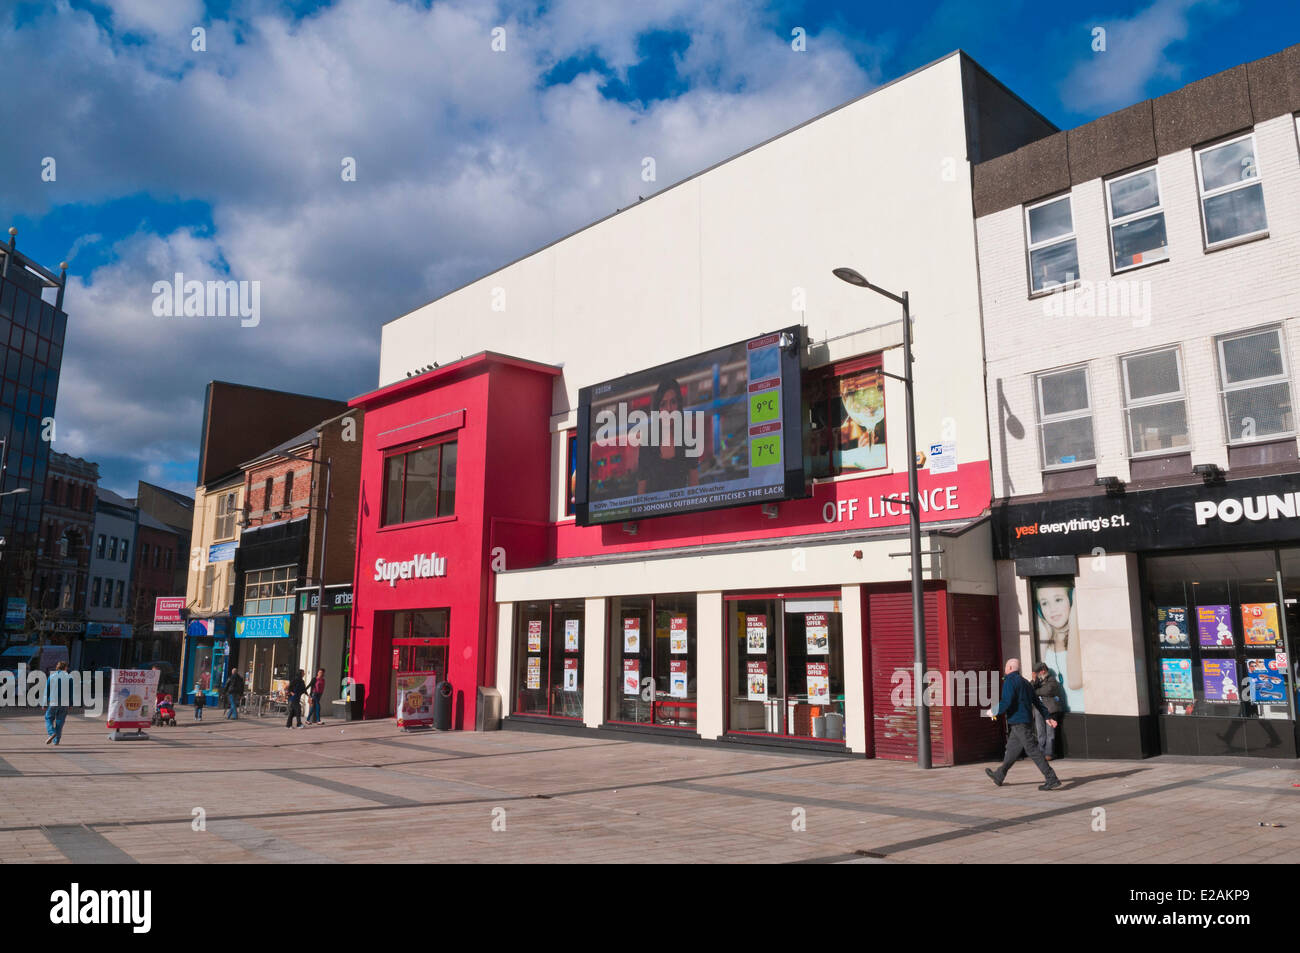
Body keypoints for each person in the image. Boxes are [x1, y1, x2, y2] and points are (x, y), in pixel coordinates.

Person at [985, 659, 1061, 791]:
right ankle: (999, 775)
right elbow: (1037, 702)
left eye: (1005, 667)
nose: (1005, 669)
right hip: (1022, 722)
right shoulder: (1025, 682)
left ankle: (1051, 778)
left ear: (1009, 667)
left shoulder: (1010, 681)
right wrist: (1047, 717)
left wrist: (993, 711)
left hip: (1018, 722)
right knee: (1012, 749)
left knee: (1033, 750)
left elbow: (1006, 701)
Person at [636, 378, 701, 495]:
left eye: (673, 402)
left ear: (679, 405)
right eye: (663, 404)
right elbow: (641, 493)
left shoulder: (689, 439)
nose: (669, 409)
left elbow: (694, 487)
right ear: (658, 410)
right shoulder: (647, 444)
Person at [1030, 662, 1063, 759]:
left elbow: (1046, 691)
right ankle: (1041, 752)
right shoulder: (1036, 682)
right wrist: (1034, 680)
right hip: (1038, 710)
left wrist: (1034, 692)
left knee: (1050, 733)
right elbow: (1028, 689)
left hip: (1050, 710)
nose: (1036, 674)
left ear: (1043, 671)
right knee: (1040, 732)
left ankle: (1049, 753)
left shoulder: (1052, 681)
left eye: (1037, 672)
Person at [44, 661, 76, 746]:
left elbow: (47, 690)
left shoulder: (52, 676)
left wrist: (44, 703)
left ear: (57, 667)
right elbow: (71, 692)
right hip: (64, 702)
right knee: (60, 721)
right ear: (65, 668)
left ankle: (52, 733)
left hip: (53, 702)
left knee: (48, 718)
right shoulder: (69, 677)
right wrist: (71, 703)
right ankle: (56, 740)